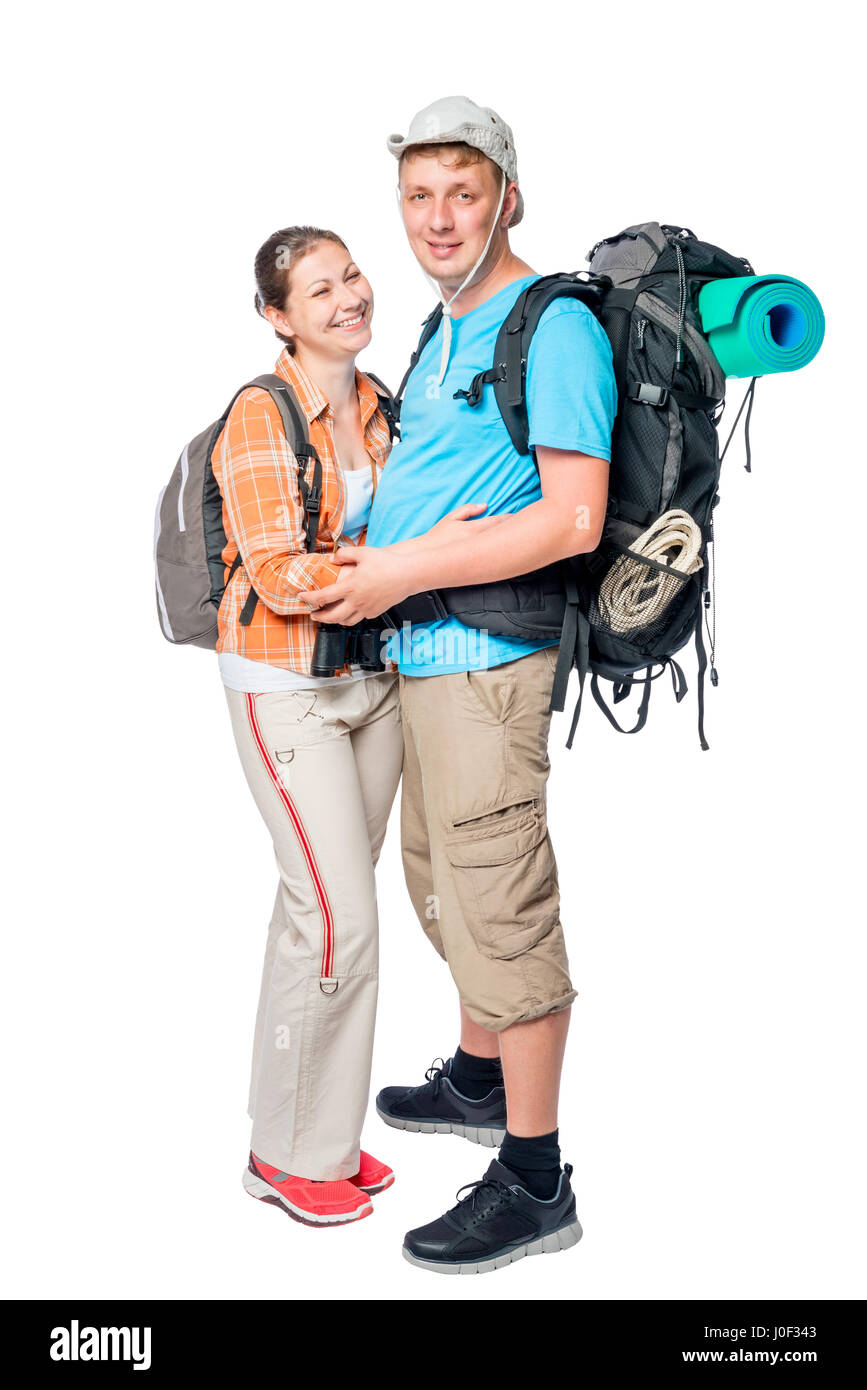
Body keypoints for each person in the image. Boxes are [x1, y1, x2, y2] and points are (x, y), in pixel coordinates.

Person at [300, 96, 618, 1272]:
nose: (438, 219)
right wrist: (364, 553)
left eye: (464, 195)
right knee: (443, 877)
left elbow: (573, 519)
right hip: (425, 656)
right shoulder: (444, 326)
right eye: (419, 197)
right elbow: (442, 486)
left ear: (509, 199)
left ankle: (535, 1182)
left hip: (488, 664)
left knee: (502, 902)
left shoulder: (553, 326)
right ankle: (482, 1079)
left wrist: (407, 570)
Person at [211, 225, 405, 1227]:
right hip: (285, 685)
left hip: (373, 680)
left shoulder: (379, 404)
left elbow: (411, 530)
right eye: (319, 288)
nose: (347, 297)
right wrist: (391, 574)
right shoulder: (259, 414)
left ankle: (313, 1129)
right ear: (278, 315)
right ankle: (286, 1155)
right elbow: (279, 572)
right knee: (339, 920)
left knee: (323, 915)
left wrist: (406, 565)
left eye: (353, 275)